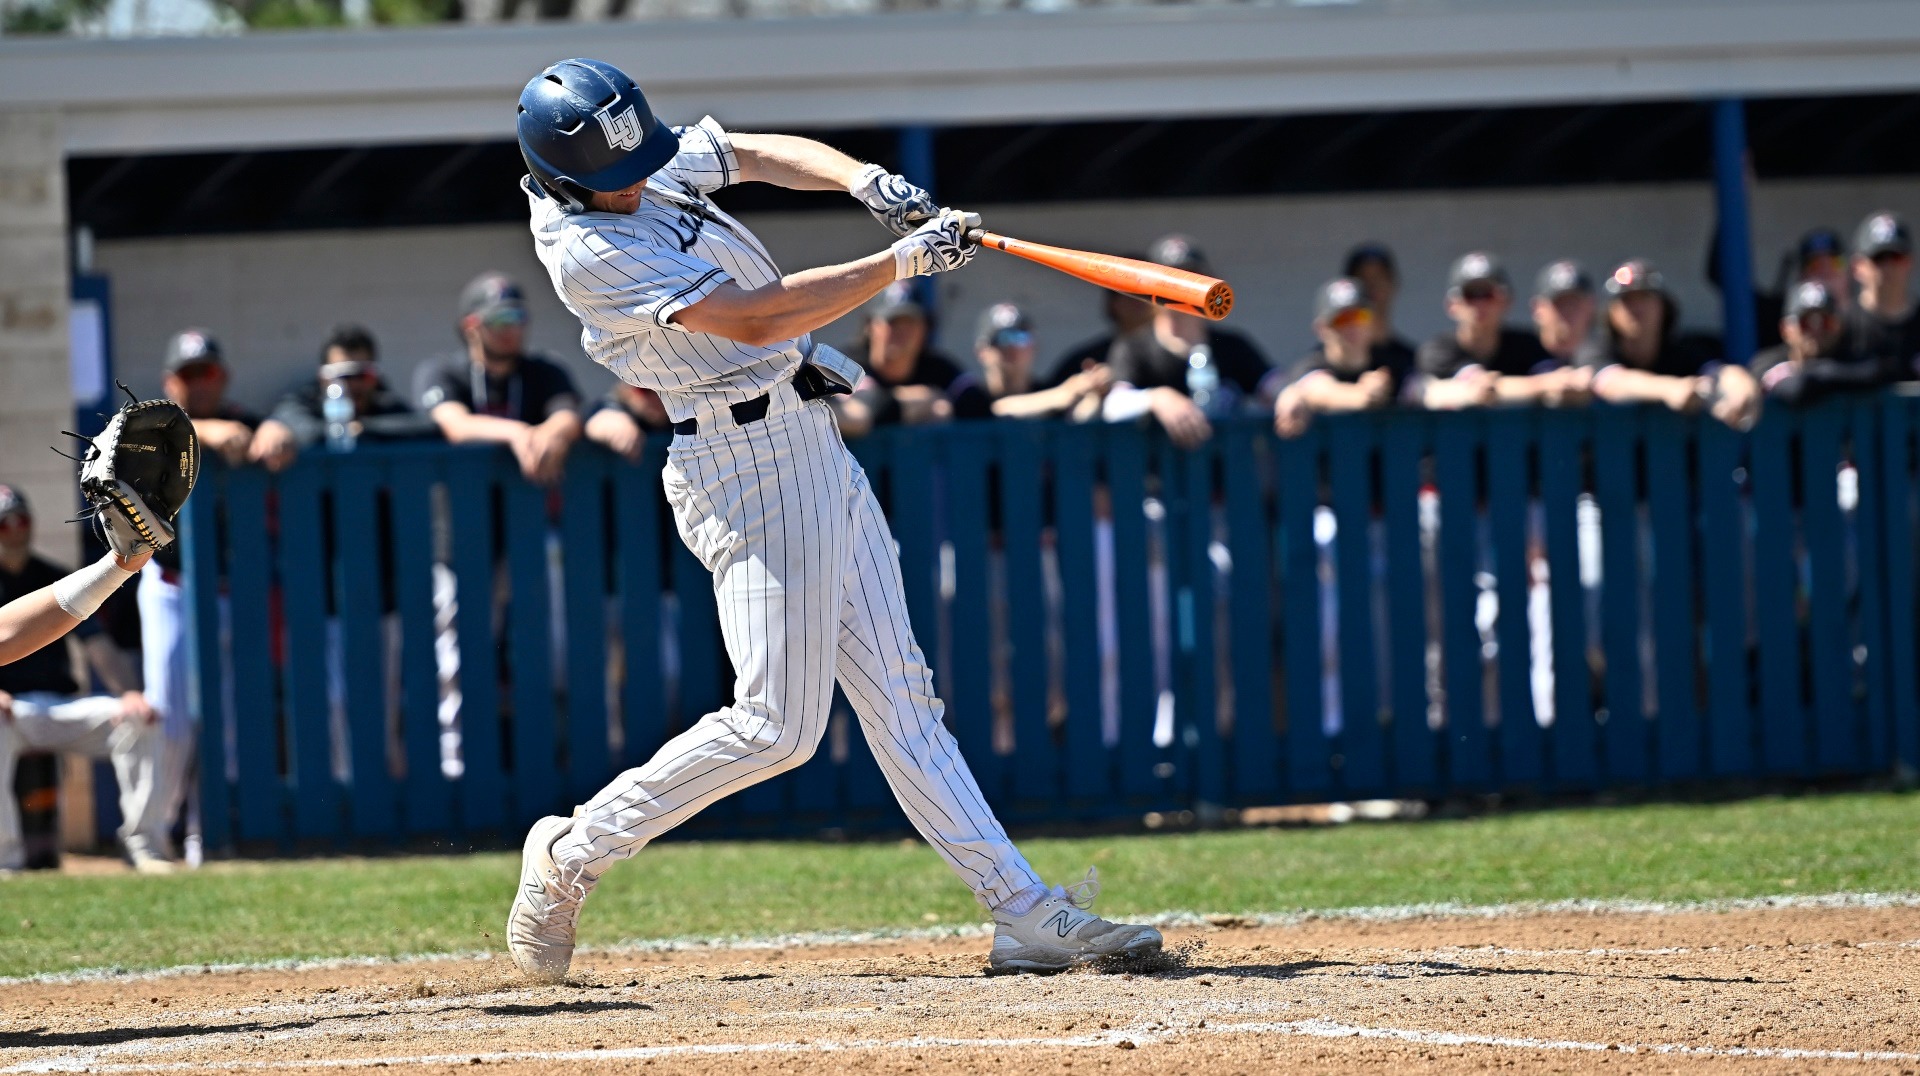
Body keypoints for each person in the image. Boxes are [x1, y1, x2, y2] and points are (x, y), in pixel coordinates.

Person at [505, 57, 1160, 982]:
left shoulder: (637, 161)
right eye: (618, 176)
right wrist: (902, 262)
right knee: (776, 727)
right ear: (565, 176)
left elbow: (753, 152)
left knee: (902, 697)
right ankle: (573, 852)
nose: (641, 180)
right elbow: (760, 318)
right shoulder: (588, 250)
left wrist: (866, 182)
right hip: (744, 468)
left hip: (807, 440)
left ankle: (1022, 912)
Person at [0, 486, 168, 873]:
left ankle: (147, 848)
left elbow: (98, 648)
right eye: (3, 522)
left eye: (20, 519)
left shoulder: (51, 575)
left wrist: (129, 693)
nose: (12, 529)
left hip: (59, 704)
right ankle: (7, 861)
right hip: (12, 711)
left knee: (139, 719)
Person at [1100, 235, 1272, 448]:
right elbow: (1113, 407)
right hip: (1162, 474)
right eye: (1169, 279)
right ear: (1148, 287)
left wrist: (1293, 394)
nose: (1180, 288)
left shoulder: (1233, 345)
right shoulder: (1134, 347)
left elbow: (1274, 385)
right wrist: (1158, 398)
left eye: (1192, 278)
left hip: (1228, 473)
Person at [415, 273, 585, 485]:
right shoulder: (441, 370)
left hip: (529, 494)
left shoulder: (547, 368)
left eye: (518, 317)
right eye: (499, 318)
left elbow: (567, 416)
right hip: (465, 494)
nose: (511, 328)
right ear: (470, 327)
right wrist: (519, 433)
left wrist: (552, 432)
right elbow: (455, 425)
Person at [1585, 259, 1761, 429]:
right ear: (1610, 312)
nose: (1636, 308)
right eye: (1627, 300)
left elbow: (1719, 372)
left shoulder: (1682, 350)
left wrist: (1740, 380)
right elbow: (1611, 383)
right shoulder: (1595, 350)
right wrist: (1670, 388)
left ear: (1663, 307)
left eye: (1644, 298)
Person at [1417, 252, 1589, 409]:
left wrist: (1565, 385)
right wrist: (1542, 385)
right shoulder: (1438, 348)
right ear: (1452, 305)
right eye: (1471, 294)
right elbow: (1482, 388)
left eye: (1488, 294)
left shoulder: (1526, 344)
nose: (1480, 304)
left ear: (1507, 301)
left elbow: (1558, 382)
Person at [253, 325, 439, 459]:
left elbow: (425, 427)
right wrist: (342, 431)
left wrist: (362, 429)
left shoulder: (384, 402)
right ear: (323, 378)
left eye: (362, 375)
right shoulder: (305, 401)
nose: (354, 384)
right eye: (342, 375)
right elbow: (299, 427)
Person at [1274, 277, 1418, 437]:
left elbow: (1421, 389)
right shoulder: (1311, 363)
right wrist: (1363, 393)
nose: (1352, 326)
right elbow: (1320, 390)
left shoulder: (1392, 363)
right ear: (1321, 328)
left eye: (1359, 316)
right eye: (1341, 319)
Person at [841, 282, 992, 427]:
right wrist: (920, 401)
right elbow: (862, 412)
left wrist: (947, 409)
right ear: (870, 326)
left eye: (909, 322)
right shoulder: (844, 365)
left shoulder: (938, 369)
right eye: (892, 322)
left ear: (925, 329)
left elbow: (980, 407)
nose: (901, 332)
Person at [1753, 280, 1883, 404]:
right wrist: (1826, 373)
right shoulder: (1768, 362)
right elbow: (1796, 389)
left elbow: (1875, 371)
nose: (1816, 330)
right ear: (1785, 329)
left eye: (1825, 322)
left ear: (1838, 326)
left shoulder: (1848, 356)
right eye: (1806, 323)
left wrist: (1827, 372)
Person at [973, 303, 1109, 420]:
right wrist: (1064, 393)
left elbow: (1079, 419)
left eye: (1020, 337)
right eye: (1002, 338)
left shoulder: (1047, 389)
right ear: (981, 351)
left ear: (1035, 346)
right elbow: (997, 410)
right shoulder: (970, 395)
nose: (1011, 346)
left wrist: (1094, 391)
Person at [161, 330, 258, 467]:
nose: (199, 383)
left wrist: (273, 430)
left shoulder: (241, 422)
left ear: (224, 377)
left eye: (208, 373)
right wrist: (205, 431)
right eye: (188, 374)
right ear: (168, 383)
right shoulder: (154, 419)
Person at [1844, 211, 1920, 382]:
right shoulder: (1842, 326)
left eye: (1896, 257)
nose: (1888, 267)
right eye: (1879, 258)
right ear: (1857, 267)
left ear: (1909, 262)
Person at [1044, 280, 1154, 388]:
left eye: (1146, 296)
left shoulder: (1166, 351)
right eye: (1130, 295)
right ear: (1113, 303)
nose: (1139, 301)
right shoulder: (1087, 357)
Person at [1343, 242, 1419, 373]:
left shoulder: (1411, 360)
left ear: (1393, 284)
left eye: (1379, 277)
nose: (1371, 286)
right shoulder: (1333, 357)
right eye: (1362, 279)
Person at [583, 382, 674, 461]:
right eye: (645, 389)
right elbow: (597, 416)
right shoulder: (618, 407)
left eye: (663, 389)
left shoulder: (684, 413)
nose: (656, 396)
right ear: (629, 391)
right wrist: (613, 420)